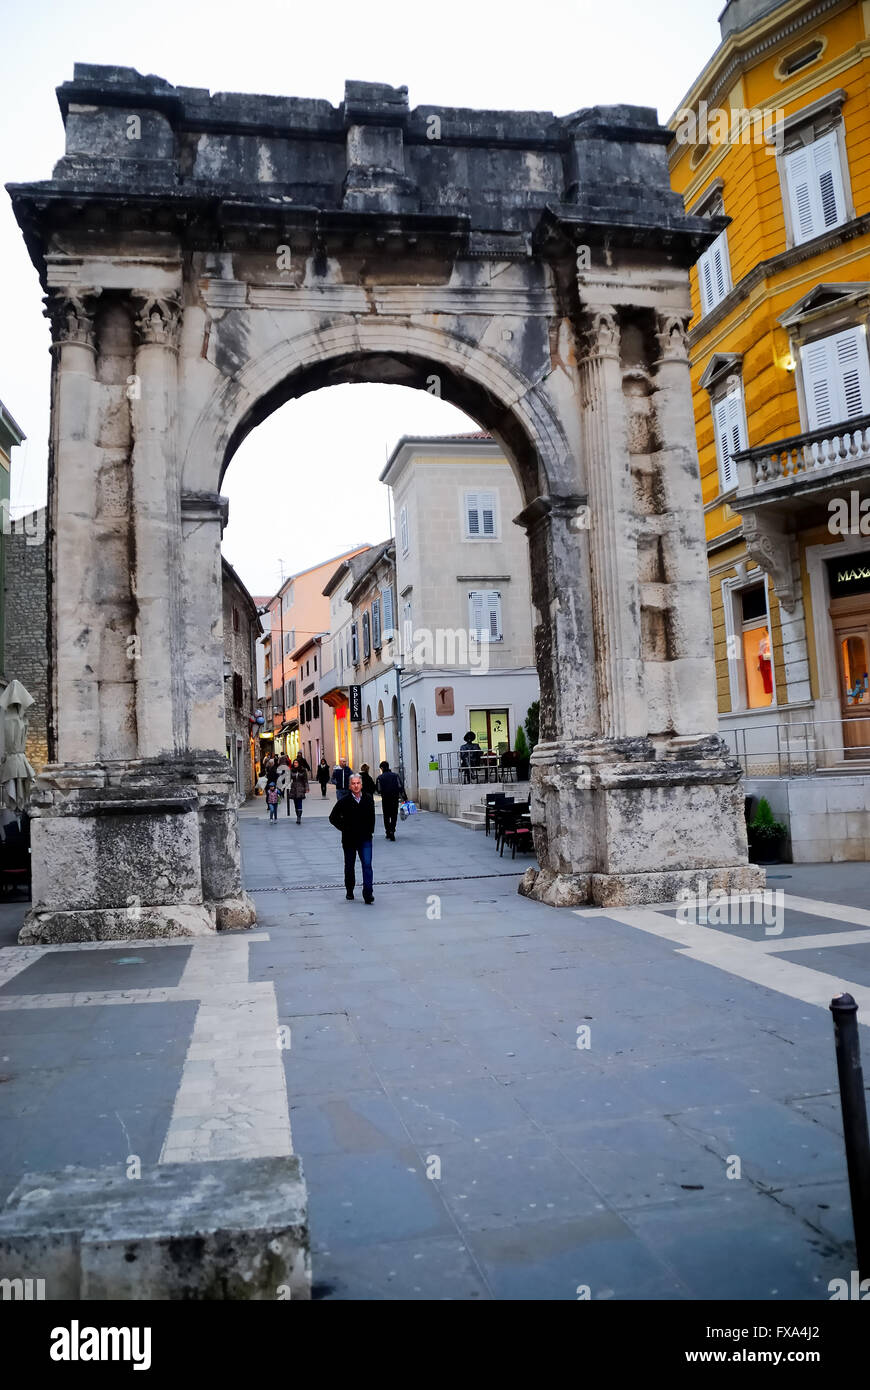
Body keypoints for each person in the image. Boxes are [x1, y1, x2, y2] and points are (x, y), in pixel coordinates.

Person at [329, 773, 375, 903]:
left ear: (361, 785)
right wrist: (344, 828)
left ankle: (368, 892)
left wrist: (370, 831)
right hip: (349, 839)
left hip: (365, 838)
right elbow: (332, 818)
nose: (356, 786)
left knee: (367, 865)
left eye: (358, 783)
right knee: (349, 865)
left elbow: (372, 817)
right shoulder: (344, 801)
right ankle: (349, 890)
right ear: (349, 786)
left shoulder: (368, 799)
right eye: (353, 784)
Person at [376, 760, 405, 841]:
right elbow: (400, 786)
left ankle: (388, 832)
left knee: (386, 816)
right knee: (394, 815)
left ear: (382, 768)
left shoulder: (379, 778)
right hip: (394, 798)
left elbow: (378, 790)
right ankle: (392, 829)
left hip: (385, 799)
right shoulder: (395, 776)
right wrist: (404, 797)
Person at [289, 759, 309, 823]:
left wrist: (307, 788)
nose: (295, 764)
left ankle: (299, 818)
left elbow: (305, 780)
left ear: (299, 763)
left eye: (296, 763)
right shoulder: (291, 770)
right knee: (295, 803)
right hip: (294, 788)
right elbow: (288, 778)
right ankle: (297, 815)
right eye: (294, 763)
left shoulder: (303, 770)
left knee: (299, 802)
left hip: (301, 787)